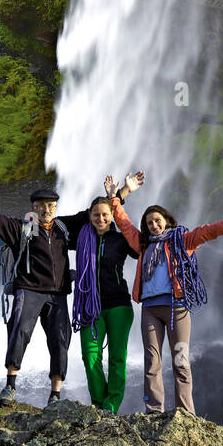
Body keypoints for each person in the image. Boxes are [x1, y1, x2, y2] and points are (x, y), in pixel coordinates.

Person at [109, 185, 223, 415]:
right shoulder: (142, 244)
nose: (154, 225)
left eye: (157, 220)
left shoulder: (183, 240)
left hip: (177, 309)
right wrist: (115, 198)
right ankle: (154, 409)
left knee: (181, 359)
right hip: (151, 310)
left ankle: (185, 411)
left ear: (167, 220)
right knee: (152, 361)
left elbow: (210, 231)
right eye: (150, 222)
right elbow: (123, 223)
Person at [0, 179, 84, 408]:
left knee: (61, 340)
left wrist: (118, 194)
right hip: (29, 290)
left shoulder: (64, 228)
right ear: (33, 207)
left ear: (56, 208)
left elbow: (92, 214)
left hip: (58, 294)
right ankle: (10, 386)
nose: (46, 210)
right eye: (41, 205)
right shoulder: (22, 228)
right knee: (19, 332)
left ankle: (55, 396)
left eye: (51, 205)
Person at [68, 172, 144, 413]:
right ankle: (98, 404)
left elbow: (140, 246)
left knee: (117, 359)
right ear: (89, 217)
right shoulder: (79, 239)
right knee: (90, 358)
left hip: (119, 306)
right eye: (96, 215)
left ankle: (111, 405)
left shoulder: (122, 240)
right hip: (91, 307)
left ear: (111, 217)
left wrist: (120, 197)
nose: (100, 219)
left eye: (105, 215)